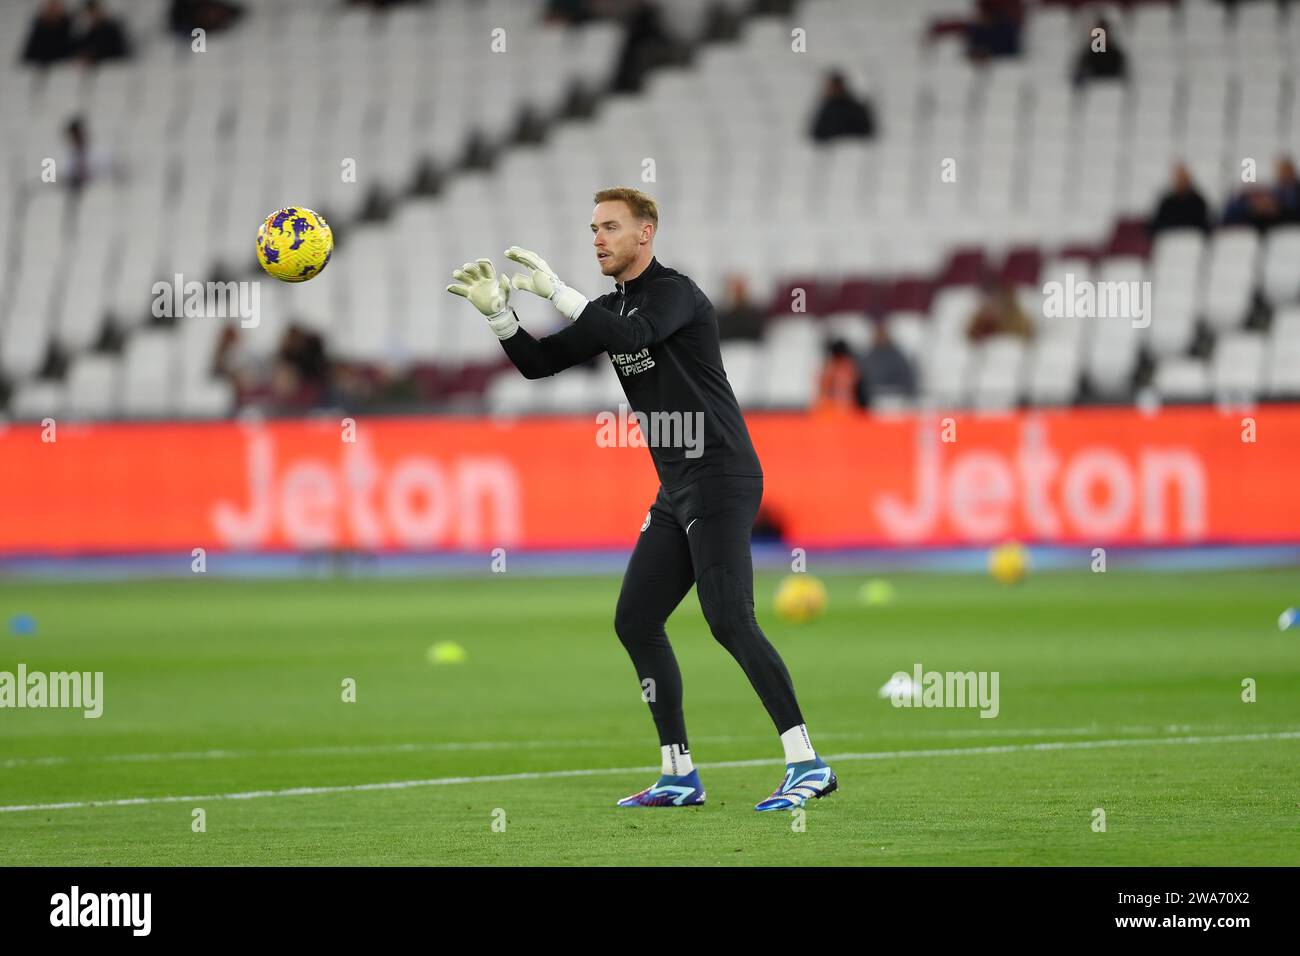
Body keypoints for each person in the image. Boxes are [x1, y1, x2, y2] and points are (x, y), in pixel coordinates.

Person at [446, 187, 836, 813]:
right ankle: (679, 773)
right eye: (592, 228)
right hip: (677, 485)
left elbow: (638, 333)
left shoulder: (676, 294)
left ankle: (806, 762)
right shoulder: (610, 306)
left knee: (729, 618)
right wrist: (501, 319)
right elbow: (541, 365)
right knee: (635, 619)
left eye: (610, 227)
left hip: (720, 472)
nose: (597, 238)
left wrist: (556, 292)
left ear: (645, 233)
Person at [810, 70, 876, 143]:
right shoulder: (825, 111)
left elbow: (867, 132)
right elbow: (817, 135)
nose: (835, 90)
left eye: (837, 86)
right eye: (833, 87)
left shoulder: (855, 108)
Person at [860, 321, 917, 402]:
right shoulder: (868, 357)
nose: (880, 337)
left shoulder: (898, 357)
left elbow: (907, 379)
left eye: (882, 333)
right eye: (878, 334)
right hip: (872, 399)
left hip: (895, 399)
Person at [1149, 163, 1210, 235]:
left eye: (1184, 178)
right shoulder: (1167, 202)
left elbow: (1204, 225)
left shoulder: (1198, 202)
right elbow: (1157, 225)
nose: (1181, 181)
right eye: (1179, 178)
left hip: (1191, 239)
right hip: (1170, 240)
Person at [968, 280, 1034, 342]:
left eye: (996, 302)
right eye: (990, 301)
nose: (992, 305)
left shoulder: (1019, 322)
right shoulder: (979, 322)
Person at [1072, 17, 1127, 86]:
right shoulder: (1087, 55)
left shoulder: (1116, 54)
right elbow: (1079, 76)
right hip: (1093, 90)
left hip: (1111, 90)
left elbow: (1121, 76)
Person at [21, 0, 76, 66]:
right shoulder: (39, 27)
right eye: (51, 8)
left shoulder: (66, 26)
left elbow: (68, 52)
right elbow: (30, 54)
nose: (53, 11)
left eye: (56, 8)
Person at [814, 339, 862, 412]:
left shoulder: (849, 366)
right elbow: (824, 388)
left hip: (847, 407)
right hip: (832, 406)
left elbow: (854, 385)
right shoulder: (830, 367)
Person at [75, 0, 129, 64]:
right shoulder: (88, 34)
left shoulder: (112, 30)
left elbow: (117, 52)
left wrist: (95, 56)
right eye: (90, 13)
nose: (93, 15)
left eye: (95, 11)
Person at [714, 274, 765, 342]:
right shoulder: (719, 319)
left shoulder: (755, 318)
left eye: (739, 290)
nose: (737, 294)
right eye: (734, 290)